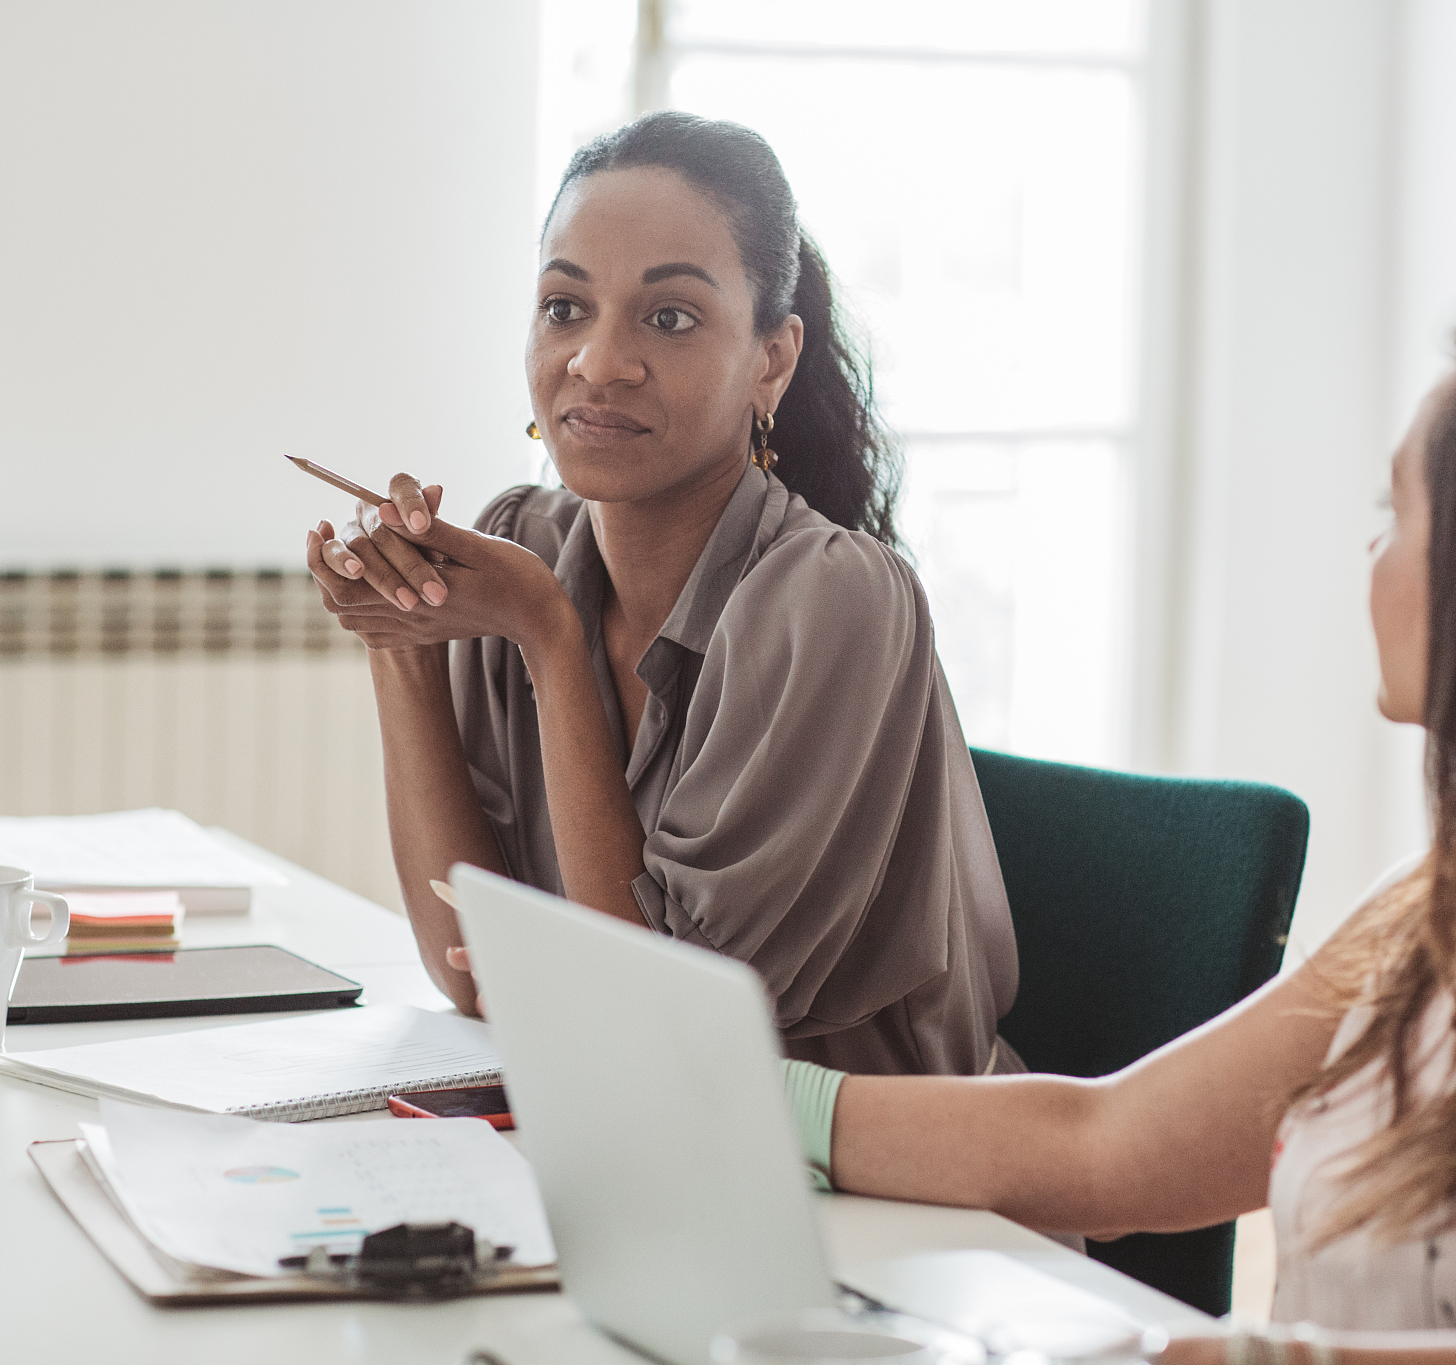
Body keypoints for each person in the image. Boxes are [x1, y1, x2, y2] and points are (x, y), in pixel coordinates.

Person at [778, 301, 1456, 1361]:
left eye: (1395, 509)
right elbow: (1105, 1146)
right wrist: (767, 1100)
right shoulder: (1449, 893)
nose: (1370, 550)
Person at [304, 112, 1018, 1077]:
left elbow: (651, 1027)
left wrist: (550, 638)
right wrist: (401, 640)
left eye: (669, 317)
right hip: (636, 1134)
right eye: (565, 308)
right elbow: (465, 972)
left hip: (878, 1189)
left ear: (772, 357)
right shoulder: (526, 540)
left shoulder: (833, 601)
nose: (598, 363)